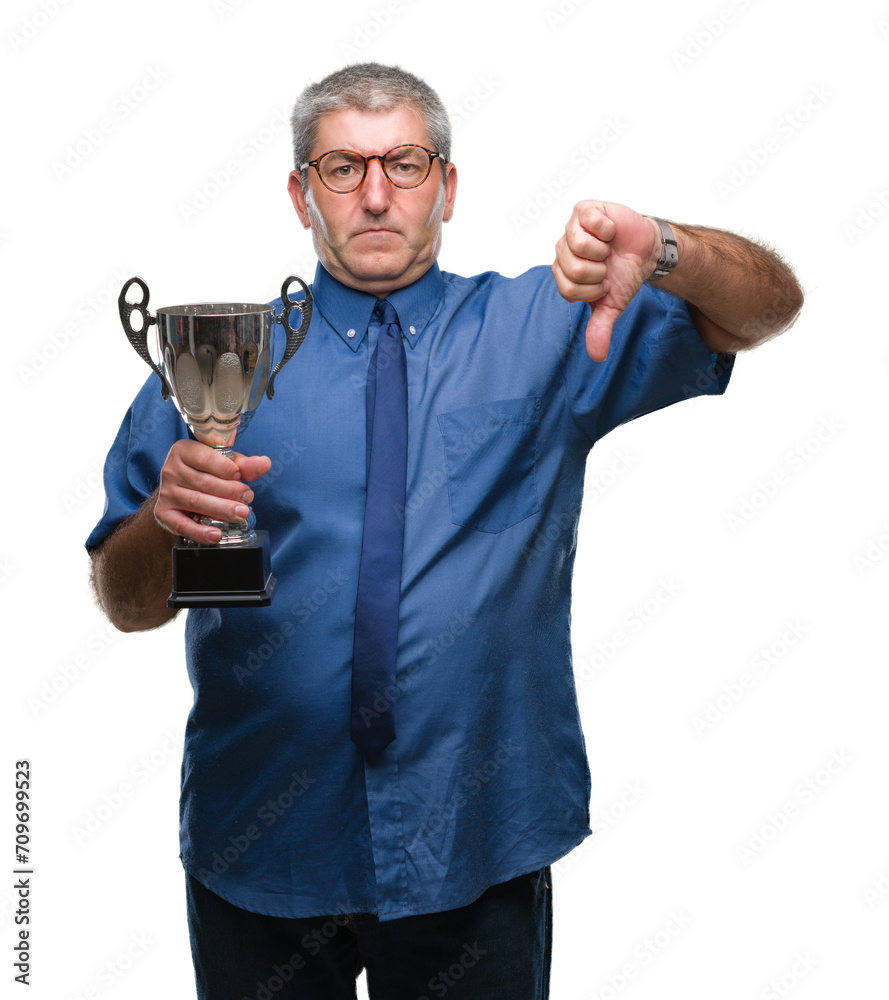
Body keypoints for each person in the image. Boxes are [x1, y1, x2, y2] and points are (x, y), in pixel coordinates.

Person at [88, 62, 803, 1000]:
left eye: (406, 163)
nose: (376, 194)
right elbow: (125, 604)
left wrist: (667, 247)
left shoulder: (546, 325)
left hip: (475, 835)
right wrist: (162, 520)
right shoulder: (220, 356)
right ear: (301, 195)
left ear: (449, 187)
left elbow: (767, 308)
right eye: (342, 168)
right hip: (262, 837)